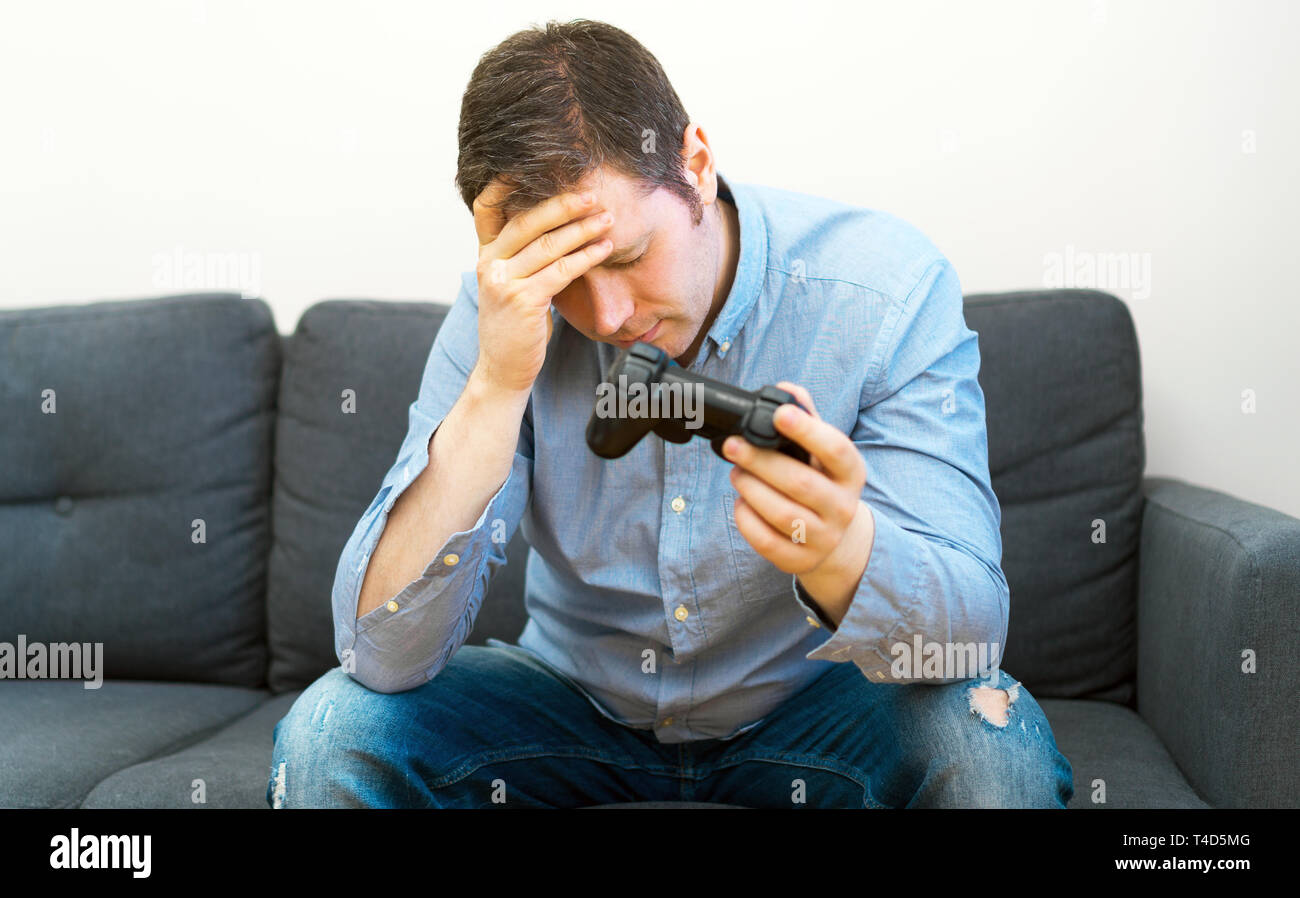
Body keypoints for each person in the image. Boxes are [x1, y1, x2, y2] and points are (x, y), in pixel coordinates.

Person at [267, 18, 1074, 809]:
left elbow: (973, 637)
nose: (608, 314)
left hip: (817, 706)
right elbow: (378, 656)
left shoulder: (886, 292)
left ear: (695, 163)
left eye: (625, 256)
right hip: (573, 707)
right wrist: (497, 384)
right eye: (566, 279)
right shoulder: (506, 316)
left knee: (986, 736)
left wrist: (843, 552)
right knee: (336, 729)